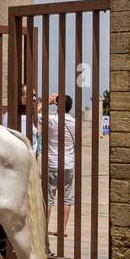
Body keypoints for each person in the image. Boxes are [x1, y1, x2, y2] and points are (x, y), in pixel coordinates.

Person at [38, 92, 76, 240]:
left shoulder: (51, 120)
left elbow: (35, 112)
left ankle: (44, 228)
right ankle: (62, 229)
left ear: (57, 105)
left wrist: (48, 101)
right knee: (67, 198)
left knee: (49, 197)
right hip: (68, 164)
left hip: (52, 163)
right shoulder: (74, 122)